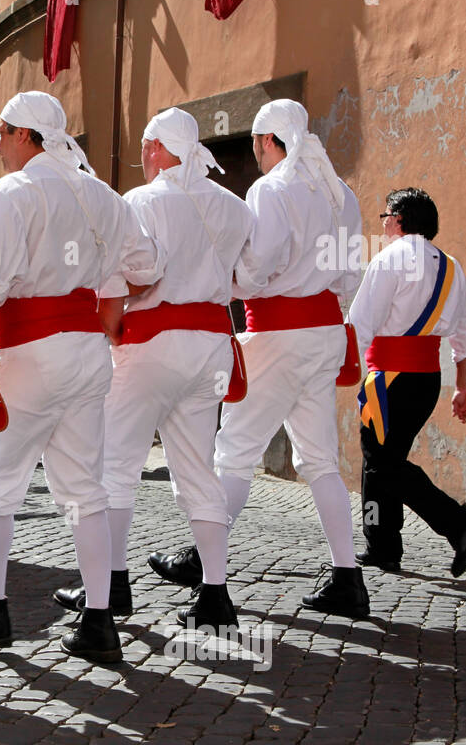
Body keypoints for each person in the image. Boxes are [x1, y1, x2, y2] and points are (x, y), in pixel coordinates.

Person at [0, 91, 151, 663]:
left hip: (28, 351)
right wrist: (94, 291)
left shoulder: (11, 193)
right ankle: (98, 619)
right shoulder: (103, 196)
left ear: (24, 136)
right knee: (85, 488)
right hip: (87, 352)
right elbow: (147, 265)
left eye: (3, 131)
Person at [150, 98, 369, 622]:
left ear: (269, 141)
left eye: (256, 143)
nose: (256, 152)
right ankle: (348, 576)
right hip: (325, 330)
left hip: (276, 331)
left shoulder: (271, 190)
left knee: (235, 451)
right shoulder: (343, 194)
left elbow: (255, 266)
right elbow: (349, 274)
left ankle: (208, 570)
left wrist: (226, 283)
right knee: (319, 460)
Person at [57, 108, 252, 632]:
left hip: (149, 344)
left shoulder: (138, 202)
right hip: (211, 344)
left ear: (155, 149)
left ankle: (111, 585)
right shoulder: (235, 208)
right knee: (197, 469)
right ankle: (215, 593)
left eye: (147, 148)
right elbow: (247, 278)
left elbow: (125, 275)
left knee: (115, 467)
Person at [345, 187, 466, 580]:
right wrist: (464, 386)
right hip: (427, 379)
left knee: (381, 463)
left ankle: (458, 524)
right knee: (385, 461)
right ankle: (384, 546)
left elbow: (361, 323)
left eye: (386, 215)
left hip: (389, 379)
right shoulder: (452, 266)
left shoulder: (389, 258)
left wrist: (340, 369)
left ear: (400, 218)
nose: (384, 222)